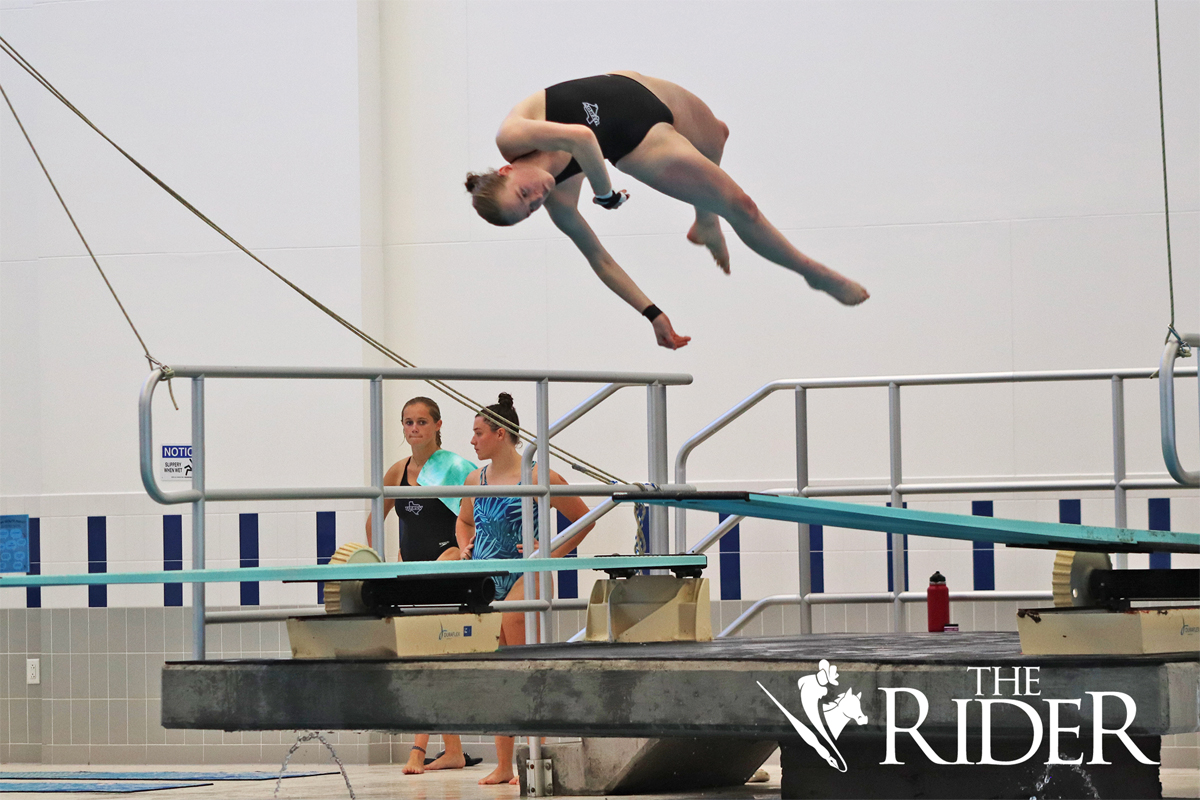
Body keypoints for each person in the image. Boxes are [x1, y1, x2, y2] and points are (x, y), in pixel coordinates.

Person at [465, 71, 869, 350]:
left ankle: (704, 222)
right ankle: (813, 273)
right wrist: (652, 314)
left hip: (633, 88)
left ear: (506, 170)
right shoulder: (563, 203)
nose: (536, 200)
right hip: (636, 142)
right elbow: (601, 261)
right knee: (741, 205)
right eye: (531, 210)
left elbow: (583, 138)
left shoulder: (513, 135)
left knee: (718, 134)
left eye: (523, 195)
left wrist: (604, 194)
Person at [456, 393, 595, 785]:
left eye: (479, 433)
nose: (472, 441)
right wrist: (465, 543)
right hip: (486, 577)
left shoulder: (538, 477)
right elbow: (464, 521)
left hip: (524, 576)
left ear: (501, 434)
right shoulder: (475, 479)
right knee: (498, 670)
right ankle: (504, 765)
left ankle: (535, 755)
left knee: (522, 665)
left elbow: (584, 520)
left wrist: (546, 553)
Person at [364, 396, 477, 775]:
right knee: (427, 662)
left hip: (445, 570)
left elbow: (480, 516)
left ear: (438, 425)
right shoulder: (396, 471)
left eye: (422, 423)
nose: (414, 430)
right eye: (408, 422)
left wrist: (463, 554)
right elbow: (372, 521)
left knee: (428, 659)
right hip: (410, 574)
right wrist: (379, 563)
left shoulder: (457, 468)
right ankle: (453, 751)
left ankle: (418, 750)